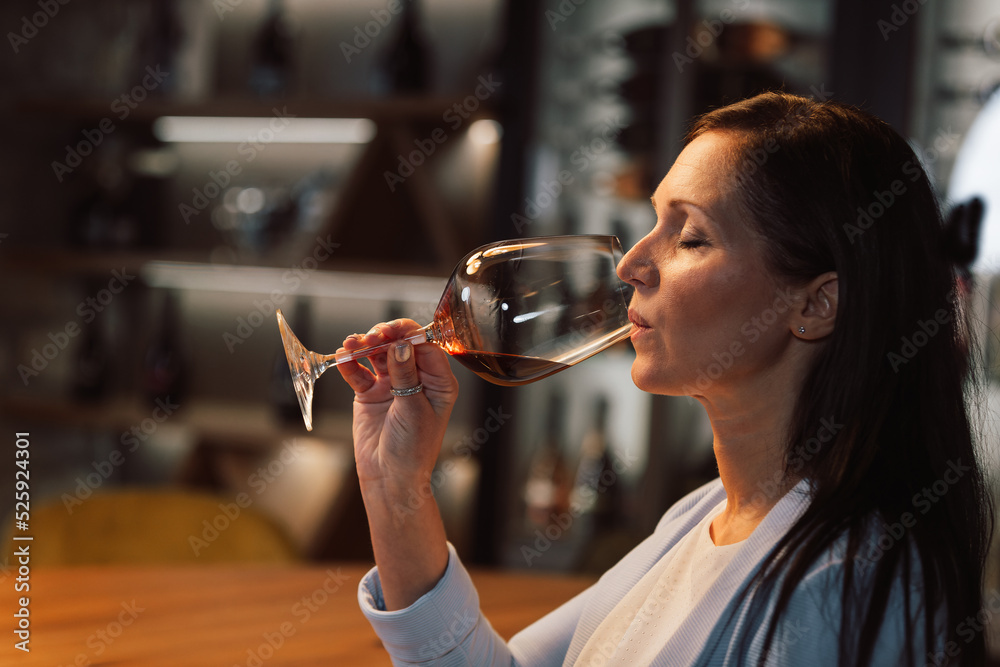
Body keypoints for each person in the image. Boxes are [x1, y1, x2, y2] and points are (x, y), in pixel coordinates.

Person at [335, 91, 994, 666]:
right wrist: (397, 487)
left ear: (815, 304)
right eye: (655, 221)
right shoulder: (704, 515)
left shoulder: (840, 586)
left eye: (693, 237)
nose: (632, 264)